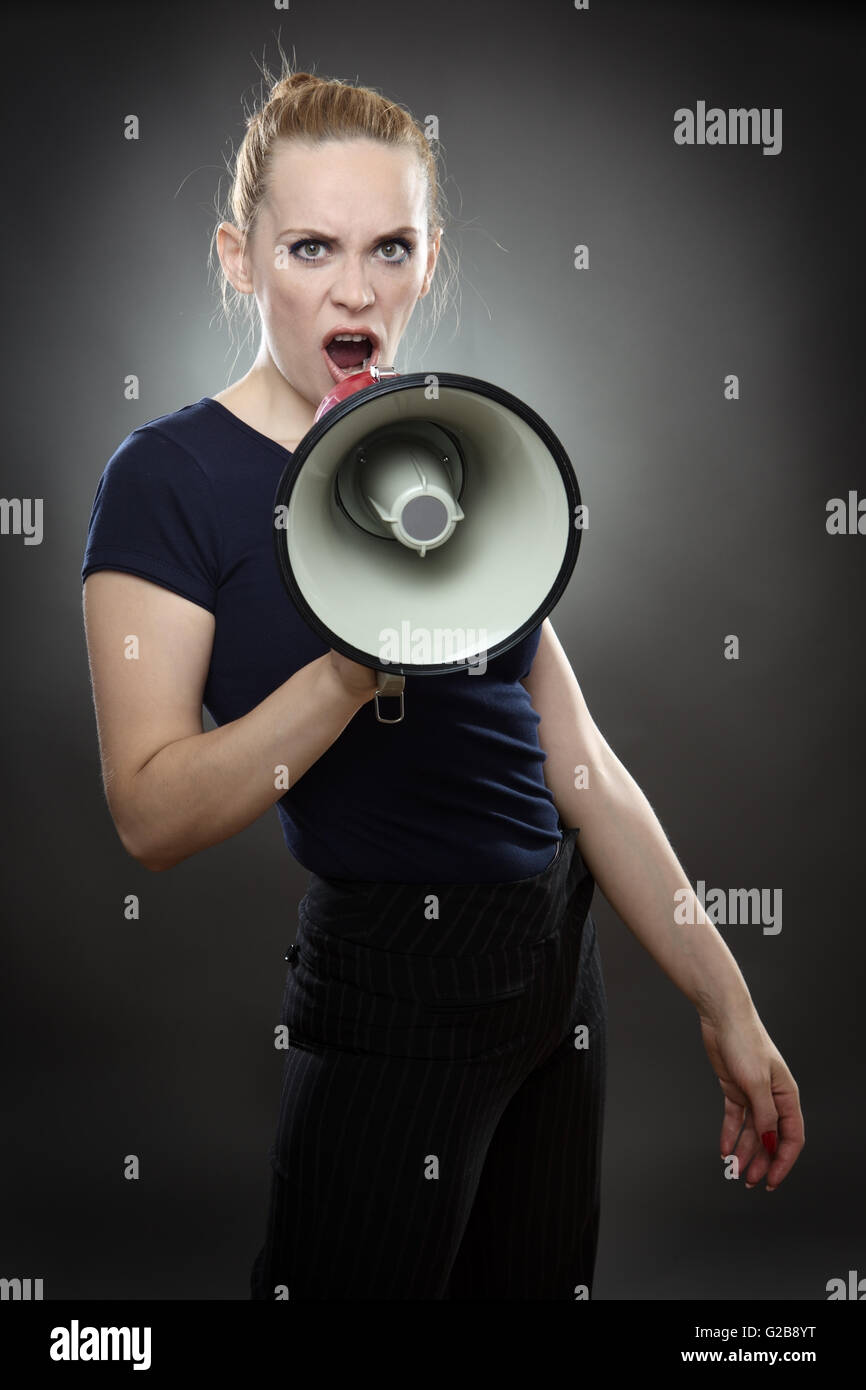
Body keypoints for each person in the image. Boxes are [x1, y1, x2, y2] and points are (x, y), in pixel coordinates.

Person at [80, 60, 805, 1301]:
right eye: (308, 247)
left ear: (428, 260)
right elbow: (148, 812)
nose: (353, 290)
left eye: (388, 247)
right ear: (236, 258)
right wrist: (355, 666)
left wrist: (726, 1002)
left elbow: (576, 764)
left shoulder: (446, 444)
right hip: (392, 991)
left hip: (550, 971)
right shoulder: (167, 478)